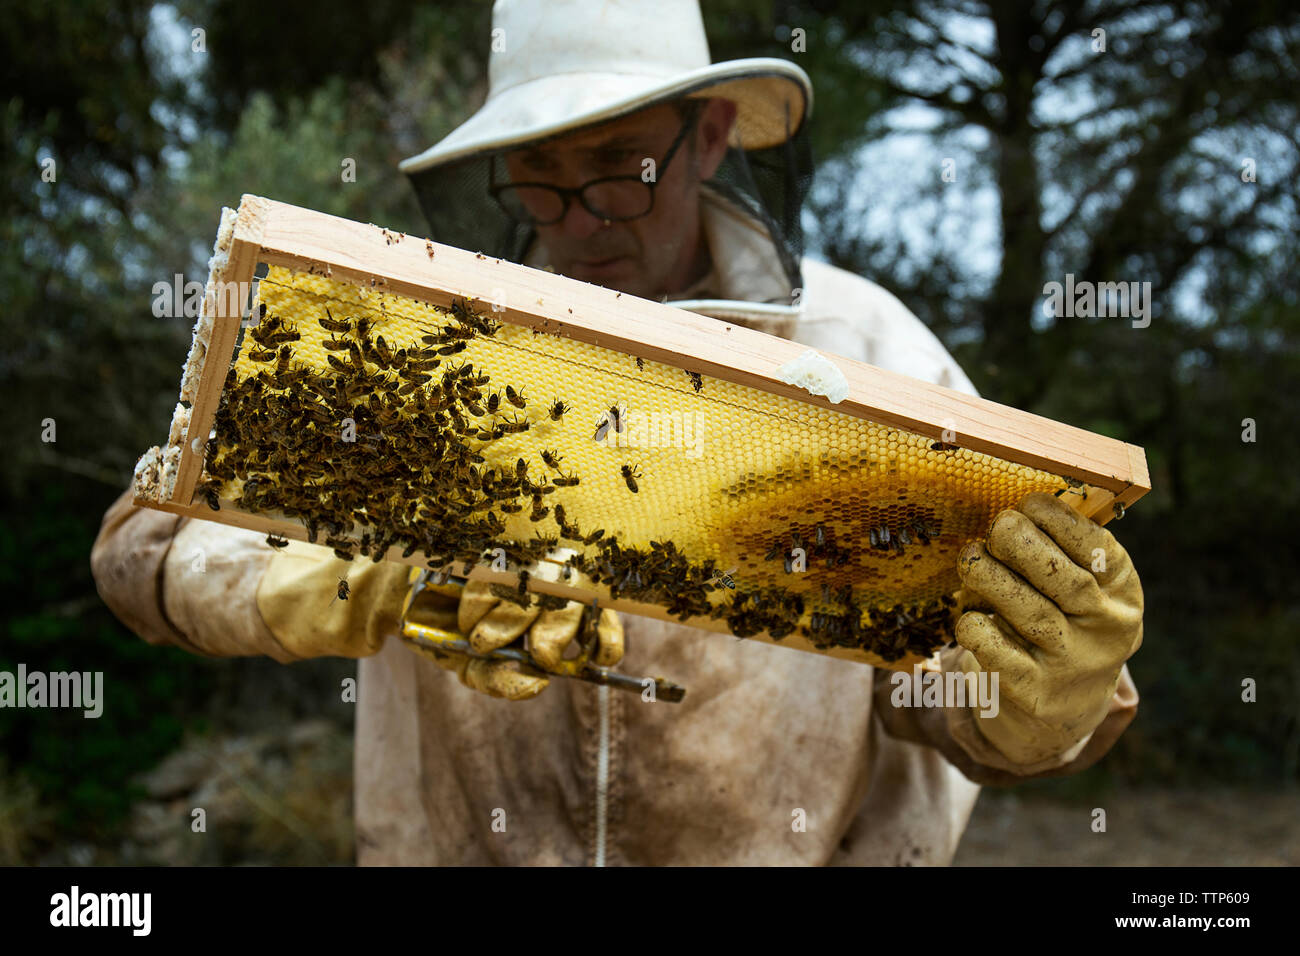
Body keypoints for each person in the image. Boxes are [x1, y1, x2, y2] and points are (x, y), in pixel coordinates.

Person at [91, 0, 1143, 865]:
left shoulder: (863, 345)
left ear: (711, 136)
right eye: (542, 178)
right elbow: (141, 549)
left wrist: (1033, 704)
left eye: (616, 166)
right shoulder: (422, 344)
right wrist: (338, 577)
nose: (582, 215)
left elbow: (956, 686)